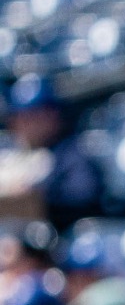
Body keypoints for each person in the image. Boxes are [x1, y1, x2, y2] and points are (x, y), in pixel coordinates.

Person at [0, 75, 111, 232]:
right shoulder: (14, 154)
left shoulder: (73, 153)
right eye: (20, 117)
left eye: (34, 116)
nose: (25, 124)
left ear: (54, 115)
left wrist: (37, 197)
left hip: (68, 237)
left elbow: (82, 198)